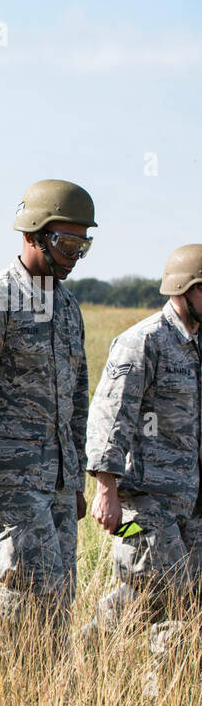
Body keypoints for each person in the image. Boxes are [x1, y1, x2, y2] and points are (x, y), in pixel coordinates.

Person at [0, 180, 94, 668]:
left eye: (82, 245)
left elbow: (76, 399)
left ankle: (33, 697)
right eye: (67, 244)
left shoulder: (69, 308)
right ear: (33, 234)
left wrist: (75, 477)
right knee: (29, 587)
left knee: (59, 597)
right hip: (10, 481)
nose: (74, 255)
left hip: (57, 481)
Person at [85, 244, 202, 664]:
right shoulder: (143, 342)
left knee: (150, 594)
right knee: (174, 600)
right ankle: (162, 705)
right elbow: (110, 418)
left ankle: (84, 654)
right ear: (183, 289)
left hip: (193, 505)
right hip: (144, 508)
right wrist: (106, 492)